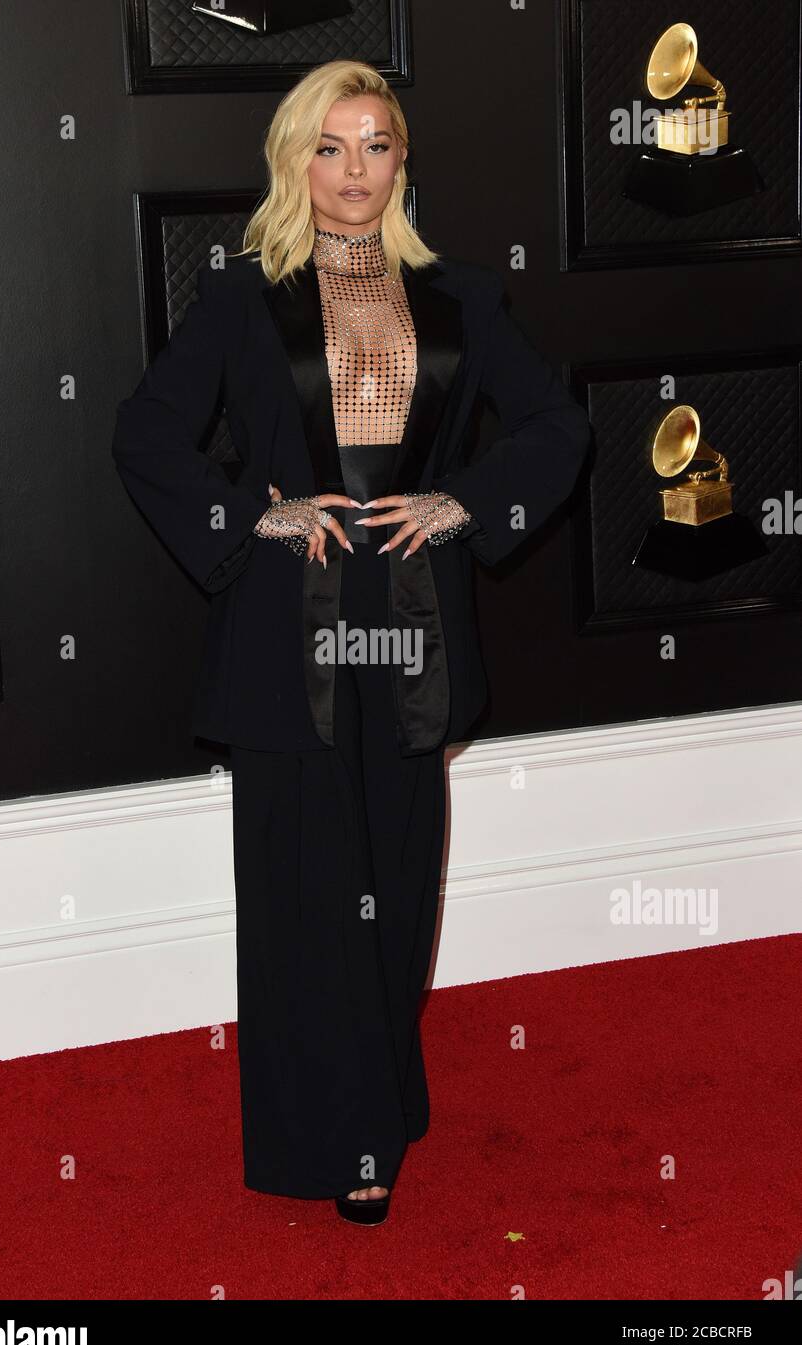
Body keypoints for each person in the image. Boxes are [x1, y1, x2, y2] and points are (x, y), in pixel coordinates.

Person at [112, 59, 591, 1225]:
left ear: (401, 162)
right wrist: (250, 514)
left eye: (376, 146)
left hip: (414, 620)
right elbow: (145, 435)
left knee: (394, 879)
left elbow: (556, 423)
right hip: (290, 622)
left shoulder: (466, 298)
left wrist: (463, 502)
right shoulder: (240, 296)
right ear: (294, 161)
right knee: (298, 889)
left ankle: (377, 1105)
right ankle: (326, 1134)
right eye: (329, 147)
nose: (354, 172)